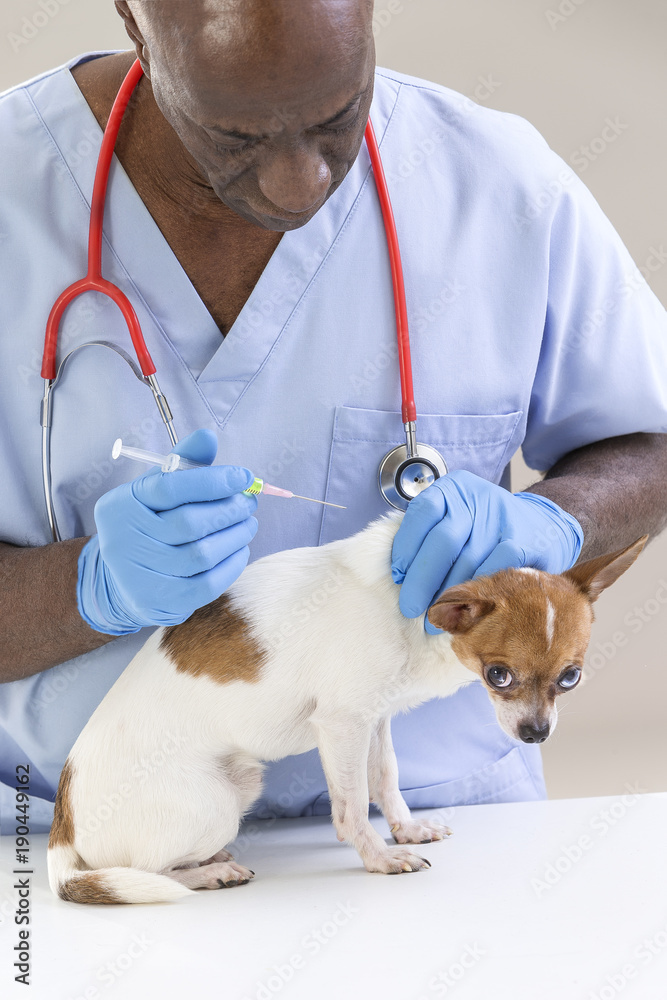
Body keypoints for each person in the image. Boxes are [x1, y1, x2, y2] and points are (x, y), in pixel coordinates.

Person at [1, 0, 666, 835]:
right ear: (135, 18)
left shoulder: (496, 182)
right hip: (86, 834)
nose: (299, 184)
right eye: (235, 136)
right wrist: (84, 588)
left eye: (335, 119)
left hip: (442, 825)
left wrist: (552, 523)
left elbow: (650, 440)